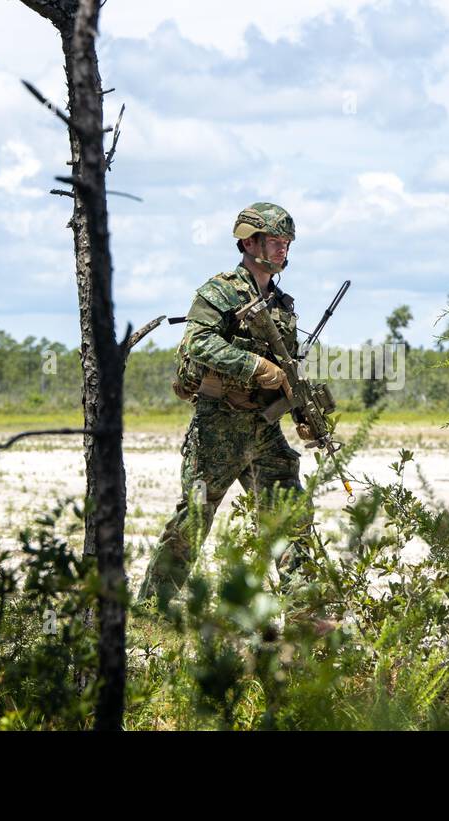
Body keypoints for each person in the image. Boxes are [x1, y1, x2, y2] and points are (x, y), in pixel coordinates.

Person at [136, 202, 324, 621]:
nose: (282, 250)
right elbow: (198, 343)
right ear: (248, 241)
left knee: (289, 513)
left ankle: (303, 613)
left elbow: (288, 370)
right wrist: (256, 366)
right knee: (194, 520)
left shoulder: (282, 304)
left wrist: (303, 415)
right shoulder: (218, 291)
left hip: (263, 427)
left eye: (286, 243)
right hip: (218, 425)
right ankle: (150, 610)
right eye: (274, 242)